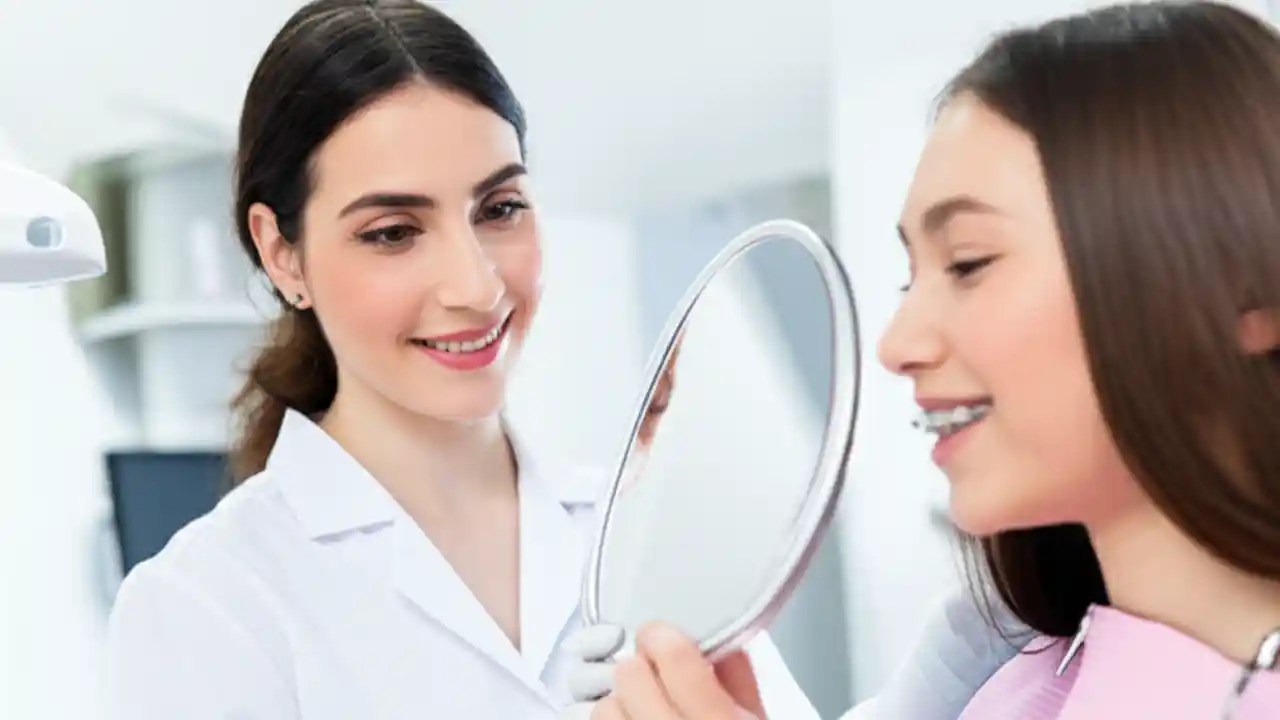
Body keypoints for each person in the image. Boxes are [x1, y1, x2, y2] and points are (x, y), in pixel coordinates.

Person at [103, 1, 815, 718]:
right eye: (392, 233)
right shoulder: (207, 604)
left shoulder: (641, 532)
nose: (476, 286)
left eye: (500, 208)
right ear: (283, 253)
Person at [569, 1, 1280, 717]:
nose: (896, 345)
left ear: (1243, 289)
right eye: (913, 277)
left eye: (969, 263)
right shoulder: (1021, 663)